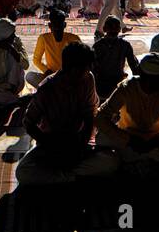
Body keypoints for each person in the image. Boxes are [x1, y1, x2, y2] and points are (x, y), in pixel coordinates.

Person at [16, 41, 118, 185]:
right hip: (52, 143)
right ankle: (70, 176)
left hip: (78, 141)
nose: (89, 71)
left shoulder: (88, 79)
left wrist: (80, 146)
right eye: (86, 68)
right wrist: (52, 147)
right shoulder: (47, 88)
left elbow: (90, 115)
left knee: (112, 161)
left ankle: (62, 176)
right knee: (23, 172)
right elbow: (29, 123)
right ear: (73, 69)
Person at [94, 52, 159, 172]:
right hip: (129, 138)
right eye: (153, 81)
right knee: (101, 137)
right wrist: (128, 140)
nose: (157, 86)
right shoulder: (127, 87)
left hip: (158, 139)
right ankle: (152, 159)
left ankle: (132, 159)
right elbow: (101, 117)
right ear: (142, 75)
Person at [27, 10, 82, 87]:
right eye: (55, 27)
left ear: (64, 25)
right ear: (50, 26)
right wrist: (47, 71)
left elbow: (82, 59)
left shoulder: (74, 39)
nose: (57, 29)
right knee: (29, 76)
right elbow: (36, 60)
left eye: (59, 27)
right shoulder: (43, 38)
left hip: (69, 77)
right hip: (51, 76)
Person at [91, 14, 140, 99]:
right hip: (117, 84)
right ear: (119, 30)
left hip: (101, 85)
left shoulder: (97, 46)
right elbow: (134, 67)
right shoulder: (125, 45)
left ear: (104, 29)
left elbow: (92, 68)